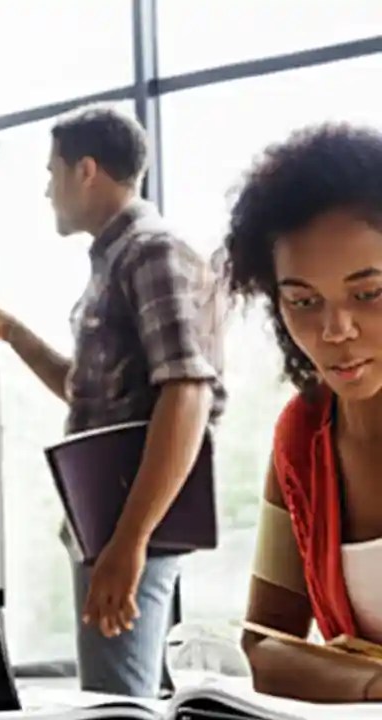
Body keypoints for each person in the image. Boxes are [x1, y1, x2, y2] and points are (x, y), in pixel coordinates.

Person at [0, 105, 225, 697]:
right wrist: (10, 330)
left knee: (117, 705)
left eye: (53, 172)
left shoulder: (151, 251)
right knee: (111, 696)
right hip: (108, 524)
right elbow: (89, 391)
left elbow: (189, 390)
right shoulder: (118, 259)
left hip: (128, 523)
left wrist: (129, 543)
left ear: (86, 170)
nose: (48, 190)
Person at [226, 123, 382, 704]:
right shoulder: (300, 437)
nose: (334, 331)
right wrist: (373, 686)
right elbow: (264, 645)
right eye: (303, 302)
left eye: (369, 293)